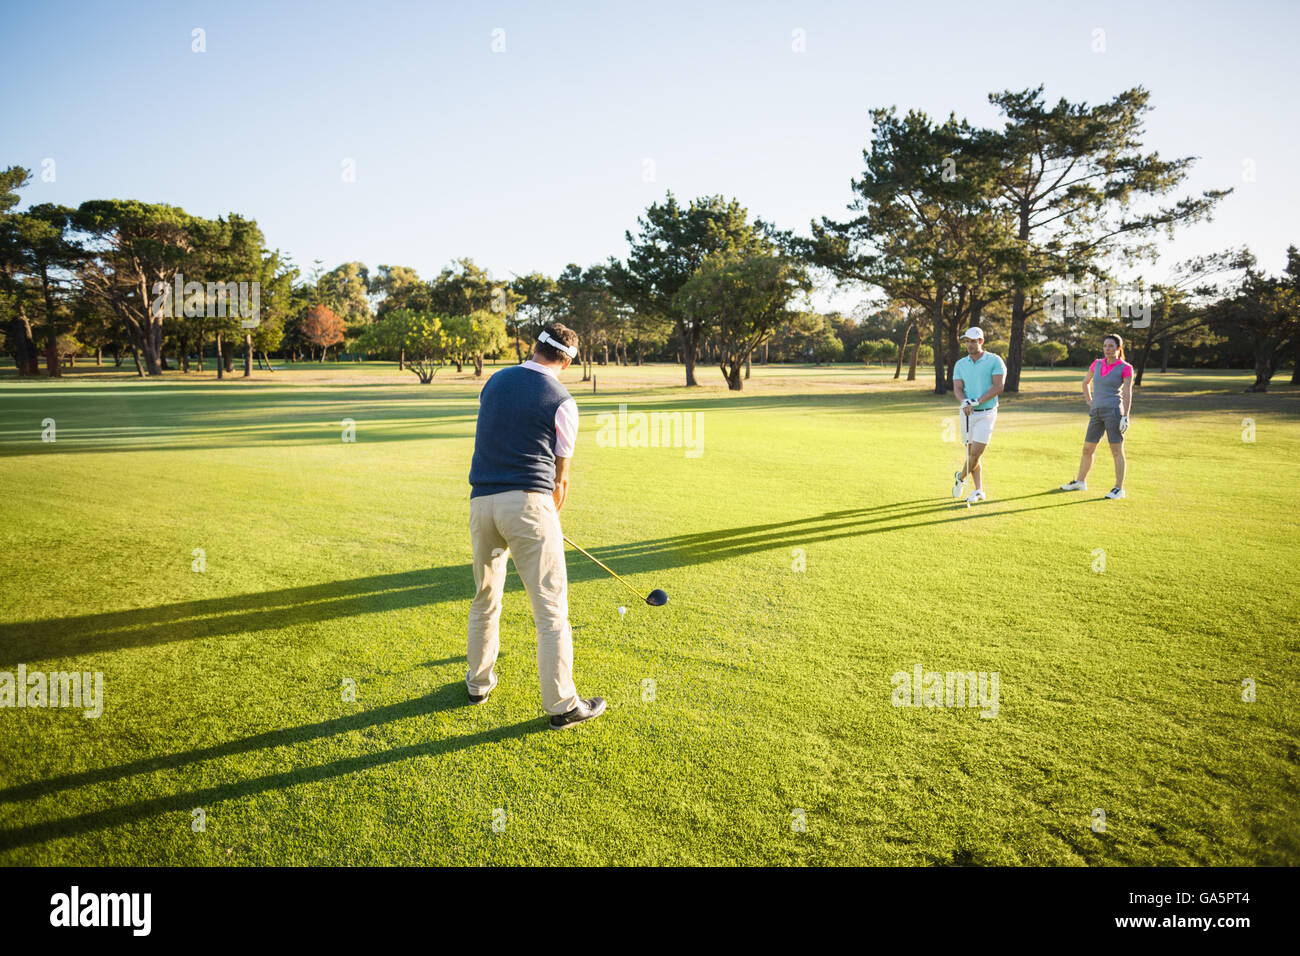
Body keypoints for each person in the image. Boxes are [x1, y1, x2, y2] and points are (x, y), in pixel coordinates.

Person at [465, 323, 606, 729]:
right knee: (550, 613)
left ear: (536, 346)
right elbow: (560, 480)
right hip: (528, 506)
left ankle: (478, 684)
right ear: (567, 359)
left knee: (485, 598)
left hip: (482, 503)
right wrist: (548, 519)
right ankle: (563, 706)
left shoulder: (493, 382)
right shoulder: (563, 400)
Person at [1060, 333, 1133, 500]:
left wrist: (1126, 416)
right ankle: (1080, 482)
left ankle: (1118, 489)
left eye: (1111, 346)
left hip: (1114, 412)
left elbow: (1128, 393)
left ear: (1118, 348)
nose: (1107, 349)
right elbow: (1085, 382)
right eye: (1105, 346)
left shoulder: (1126, 367)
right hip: (1096, 413)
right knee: (1087, 449)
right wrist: (1089, 400)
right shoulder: (1097, 364)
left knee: (1116, 451)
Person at [950, 327, 1006, 504]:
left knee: (975, 452)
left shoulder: (995, 360)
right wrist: (965, 402)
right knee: (971, 454)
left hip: (987, 413)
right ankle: (979, 490)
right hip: (967, 413)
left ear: (981, 342)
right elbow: (958, 388)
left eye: (973, 341)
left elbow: (998, 386)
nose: (969, 344)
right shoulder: (960, 364)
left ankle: (960, 476)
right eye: (966, 341)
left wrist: (978, 401)